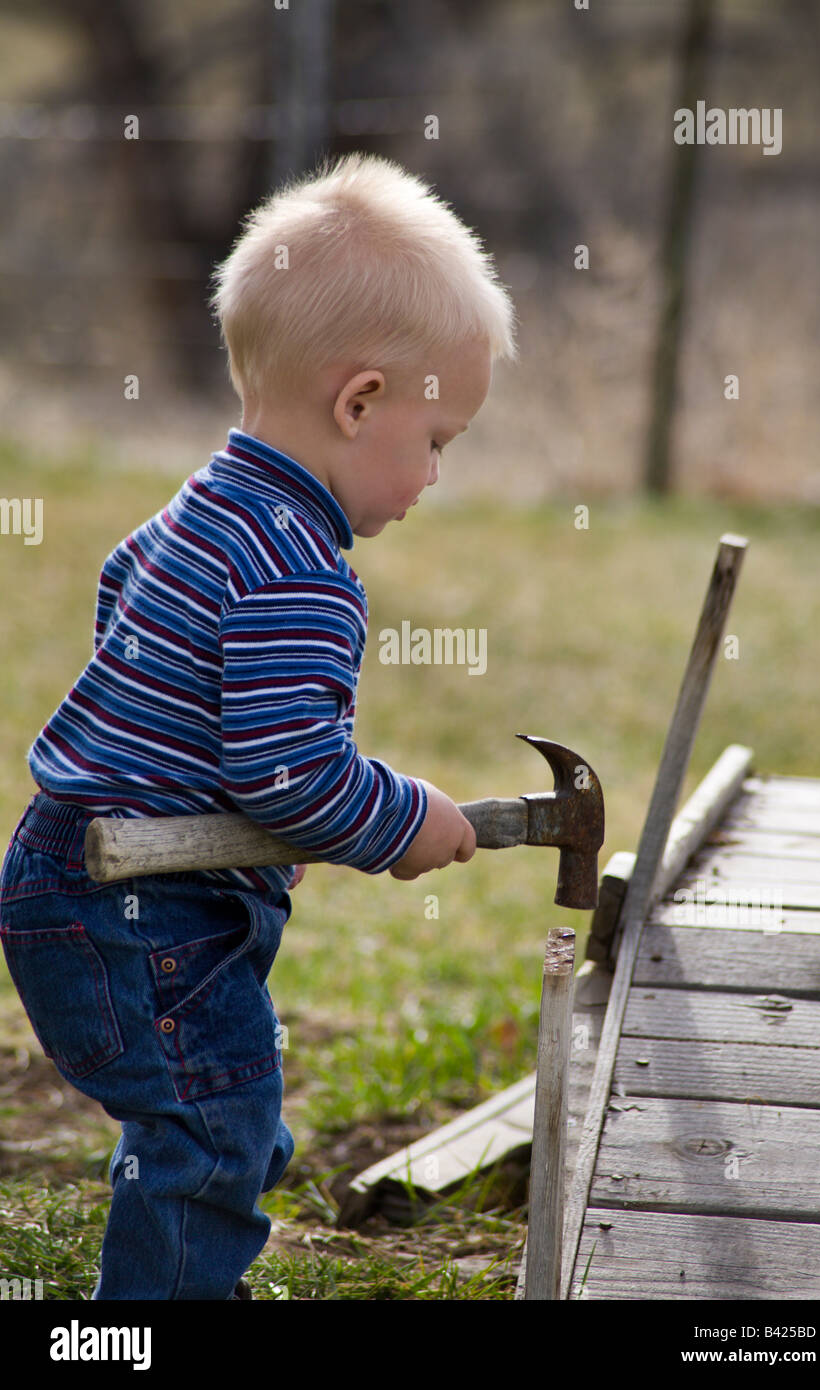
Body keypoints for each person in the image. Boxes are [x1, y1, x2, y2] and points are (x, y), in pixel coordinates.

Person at [0, 152, 517, 1299]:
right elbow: (291, 777)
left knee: (218, 1122)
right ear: (360, 401)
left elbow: (116, 594)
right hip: (148, 909)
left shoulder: (195, 511)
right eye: (437, 440)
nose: (433, 475)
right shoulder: (302, 571)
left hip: (65, 868)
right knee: (213, 1135)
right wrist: (407, 822)